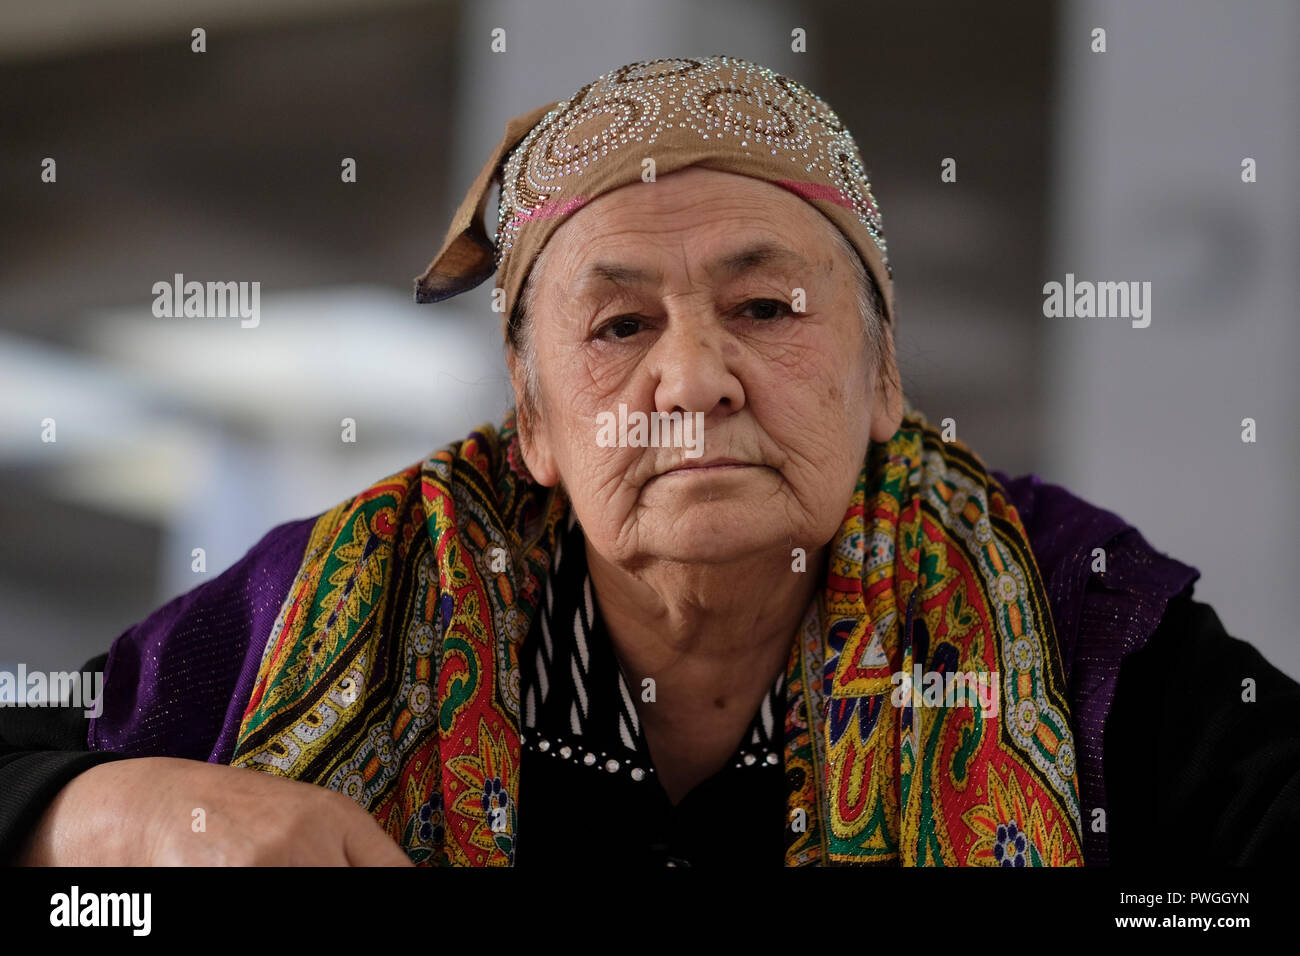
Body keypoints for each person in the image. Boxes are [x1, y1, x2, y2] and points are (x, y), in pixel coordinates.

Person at [3, 55, 1297, 867]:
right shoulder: (321, 601)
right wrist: (112, 825)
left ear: (886, 379)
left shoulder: (1080, 624)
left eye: (767, 309)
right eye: (620, 326)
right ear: (537, 425)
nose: (692, 379)